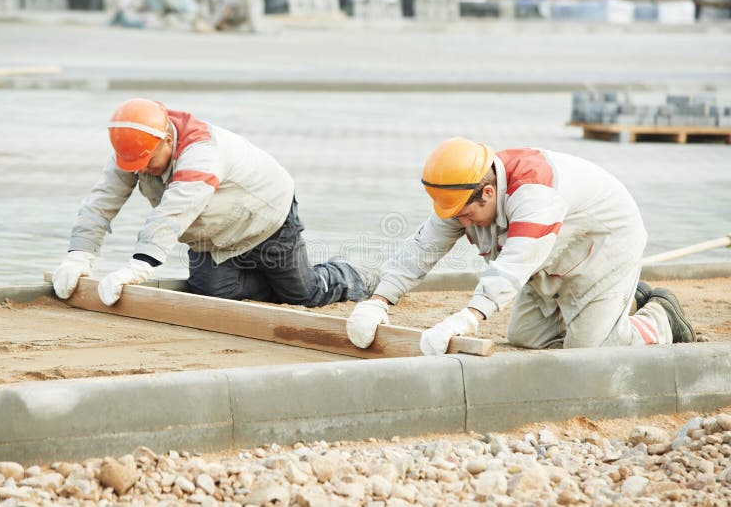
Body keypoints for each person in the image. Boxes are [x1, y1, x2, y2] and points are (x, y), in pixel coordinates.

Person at [346, 138, 695, 355]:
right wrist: (377, 301)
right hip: (551, 257)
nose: (462, 224)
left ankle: (659, 316)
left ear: (487, 192)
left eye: (467, 215)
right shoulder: (463, 191)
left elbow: (512, 267)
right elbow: (422, 248)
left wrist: (466, 319)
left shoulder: (535, 194)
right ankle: (627, 298)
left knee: (589, 351)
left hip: (602, 248)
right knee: (526, 337)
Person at [53, 98, 375, 307]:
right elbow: (101, 201)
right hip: (213, 234)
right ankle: (271, 280)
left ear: (167, 140)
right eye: (132, 163)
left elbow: (172, 214)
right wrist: (79, 255)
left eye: (147, 162)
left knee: (305, 295)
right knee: (210, 294)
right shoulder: (136, 149)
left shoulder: (201, 153)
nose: (139, 170)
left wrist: (139, 266)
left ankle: (352, 274)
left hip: (266, 221)